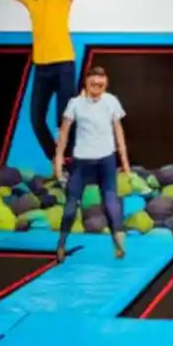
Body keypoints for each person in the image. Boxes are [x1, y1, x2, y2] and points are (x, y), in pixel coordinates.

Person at [0, 0, 104, 170]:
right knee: (36, 118)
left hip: (64, 65)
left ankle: (72, 159)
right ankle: (56, 157)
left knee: (64, 118)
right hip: (41, 67)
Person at [54, 66, 130, 262]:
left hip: (106, 160)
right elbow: (63, 133)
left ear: (105, 84)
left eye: (101, 84)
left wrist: (125, 162)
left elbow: (118, 131)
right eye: (93, 83)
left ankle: (118, 243)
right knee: (71, 207)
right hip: (81, 162)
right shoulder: (75, 104)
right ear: (86, 84)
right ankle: (61, 244)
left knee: (111, 203)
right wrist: (58, 161)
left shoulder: (111, 101)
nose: (97, 87)